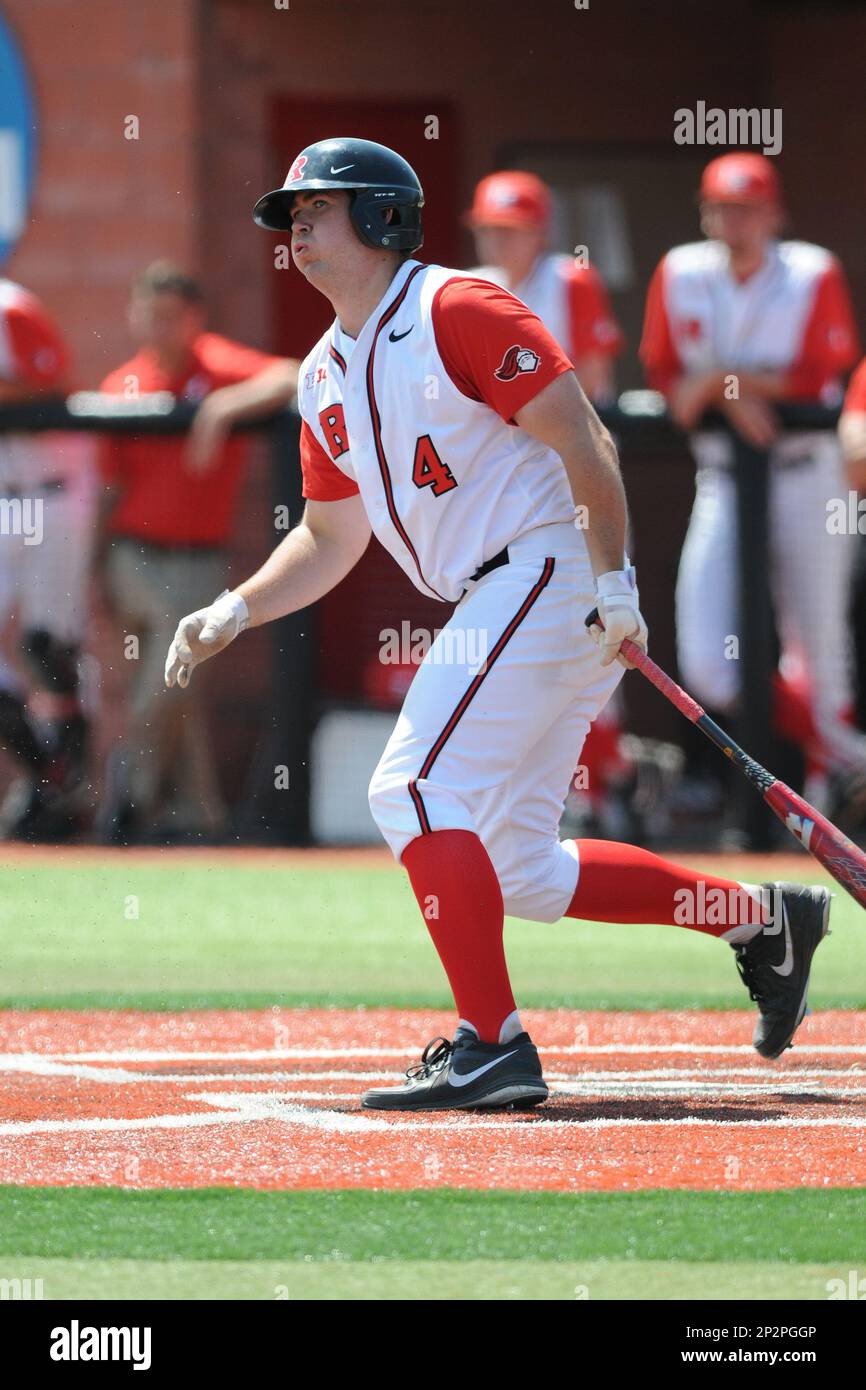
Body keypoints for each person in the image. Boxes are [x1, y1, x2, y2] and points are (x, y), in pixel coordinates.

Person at [165, 138, 831, 1111]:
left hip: (544, 566)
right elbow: (327, 536)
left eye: (321, 204)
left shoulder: (457, 307)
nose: (298, 223)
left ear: (382, 218)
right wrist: (235, 605)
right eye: (293, 210)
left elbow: (584, 438)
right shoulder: (320, 374)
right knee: (517, 865)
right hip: (505, 592)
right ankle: (759, 920)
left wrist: (613, 579)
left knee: (413, 787)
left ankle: (491, 1044)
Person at [641, 153, 864, 816]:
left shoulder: (810, 268)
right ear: (706, 211)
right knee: (708, 664)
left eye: (748, 208)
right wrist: (720, 388)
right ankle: (838, 752)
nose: (734, 222)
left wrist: (718, 381)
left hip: (805, 474)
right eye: (722, 208)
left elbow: (821, 372)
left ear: (774, 213)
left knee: (819, 645)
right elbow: (664, 375)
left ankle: (833, 793)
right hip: (724, 477)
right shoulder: (680, 270)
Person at [95, 262, 299, 842]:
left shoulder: (217, 366)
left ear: (194, 318)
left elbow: (295, 373)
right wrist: (95, 568)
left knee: (170, 680)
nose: (159, 327)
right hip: (132, 554)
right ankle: (190, 813)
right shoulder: (122, 384)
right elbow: (110, 489)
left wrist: (219, 409)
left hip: (196, 558)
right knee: (170, 680)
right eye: (149, 314)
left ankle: (133, 802)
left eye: (171, 315)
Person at [0, 277, 95, 840]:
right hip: (4, 497)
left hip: (51, 493)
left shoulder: (12, 308)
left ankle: (62, 784)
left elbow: (50, 387)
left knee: (47, 645)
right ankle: (46, 773)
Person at [465, 170, 623, 403]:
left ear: (540, 233)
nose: (497, 239)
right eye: (487, 228)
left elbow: (591, 378)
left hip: (571, 429)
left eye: (509, 228)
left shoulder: (570, 278)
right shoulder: (468, 286)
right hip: (505, 431)